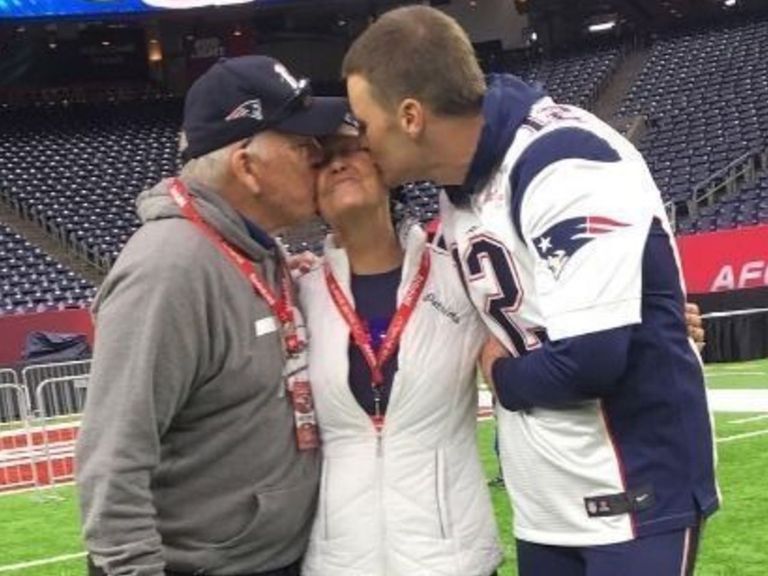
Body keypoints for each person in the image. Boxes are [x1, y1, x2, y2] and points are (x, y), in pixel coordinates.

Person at [341, 6, 719, 576]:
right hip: (546, 505)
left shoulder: (564, 162)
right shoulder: (458, 186)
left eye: (364, 124)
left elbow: (591, 361)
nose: (361, 144)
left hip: (634, 497)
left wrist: (501, 373)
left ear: (411, 116)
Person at [75, 55, 348, 576]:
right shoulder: (168, 268)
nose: (319, 156)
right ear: (247, 166)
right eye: (301, 145)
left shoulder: (257, 250)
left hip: (273, 558)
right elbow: (114, 455)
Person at [297, 120, 503, 576]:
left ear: (386, 169)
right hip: (339, 561)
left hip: (453, 558)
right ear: (312, 197)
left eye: (353, 151)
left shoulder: (461, 280)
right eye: (323, 161)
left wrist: (659, 320)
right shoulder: (298, 297)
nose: (337, 166)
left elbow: (542, 336)